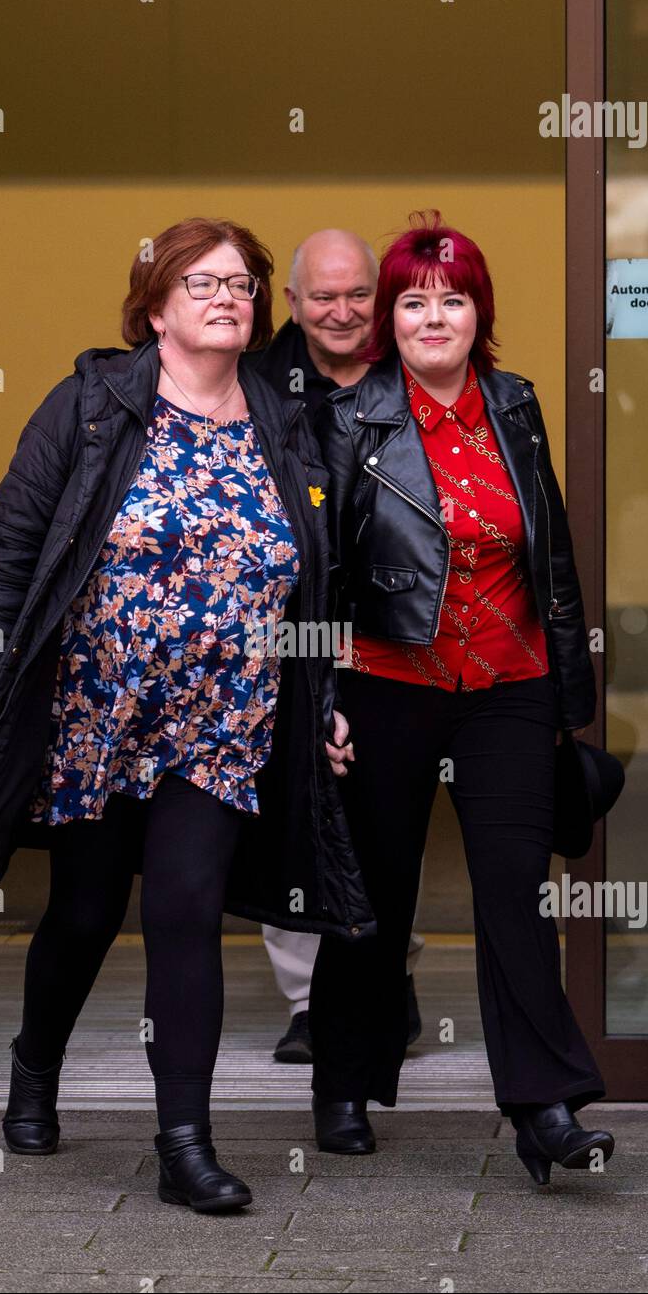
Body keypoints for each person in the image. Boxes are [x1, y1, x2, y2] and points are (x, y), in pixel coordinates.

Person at [0, 216, 373, 1214]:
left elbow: (320, 572)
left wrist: (323, 700)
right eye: (204, 282)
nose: (228, 298)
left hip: (223, 721)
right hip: (96, 709)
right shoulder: (91, 405)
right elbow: (7, 556)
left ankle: (184, 1144)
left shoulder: (285, 415)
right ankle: (33, 1068)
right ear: (155, 304)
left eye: (243, 286)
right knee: (83, 912)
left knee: (183, 911)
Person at [309, 210, 615, 1184]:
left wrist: (570, 695)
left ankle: (543, 1107)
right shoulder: (350, 420)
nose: (431, 317)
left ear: (477, 310)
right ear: (387, 322)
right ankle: (342, 1079)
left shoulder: (514, 404)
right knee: (374, 899)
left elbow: (550, 553)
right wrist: (322, 700)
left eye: (450, 300)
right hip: (387, 687)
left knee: (514, 899)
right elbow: (314, 577)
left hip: (507, 691)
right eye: (411, 301)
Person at [245, 228, 424, 1060]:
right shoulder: (255, 383)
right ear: (292, 302)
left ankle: (390, 979)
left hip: (394, 625)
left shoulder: (414, 370)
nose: (343, 312)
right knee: (298, 796)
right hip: (291, 621)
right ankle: (309, 1003)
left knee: (385, 808)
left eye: (359, 295)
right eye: (324, 296)